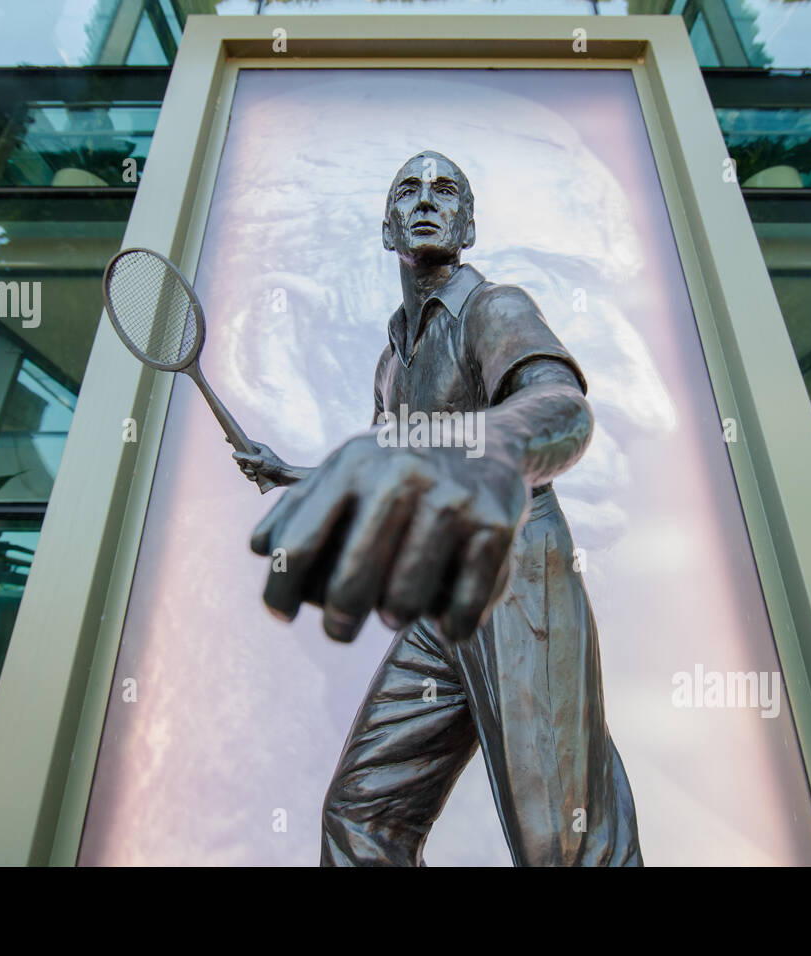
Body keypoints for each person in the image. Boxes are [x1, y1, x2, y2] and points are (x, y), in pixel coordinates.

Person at [234, 151, 641, 866]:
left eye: (446, 189)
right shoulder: (393, 358)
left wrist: (491, 451)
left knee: (561, 839)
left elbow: (558, 404)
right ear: (388, 230)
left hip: (515, 578)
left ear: (469, 225)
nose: (426, 199)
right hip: (437, 608)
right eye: (408, 190)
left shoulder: (495, 307)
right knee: (363, 818)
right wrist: (292, 474)